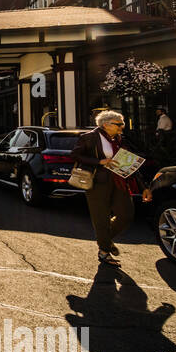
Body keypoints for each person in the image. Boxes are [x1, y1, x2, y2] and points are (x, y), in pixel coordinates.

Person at [70, 110, 152, 267]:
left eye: (122, 124)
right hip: (97, 182)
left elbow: (130, 165)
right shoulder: (89, 137)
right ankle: (104, 251)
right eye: (119, 124)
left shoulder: (120, 140)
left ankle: (104, 240)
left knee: (126, 214)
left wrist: (144, 187)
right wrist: (99, 162)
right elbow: (75, 155)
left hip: (120, 181)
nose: (122, 127)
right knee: (100, 218)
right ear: (106, 125)